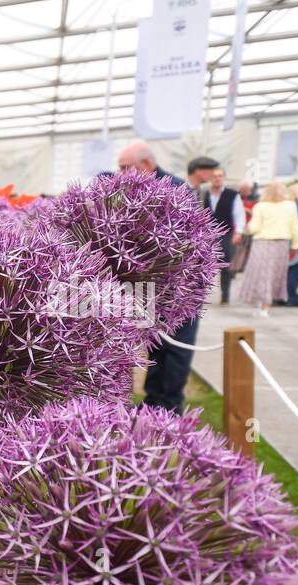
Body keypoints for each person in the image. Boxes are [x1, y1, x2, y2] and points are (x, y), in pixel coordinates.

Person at [119, 142, 199, 412]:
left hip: (180, 286)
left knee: (177, 346)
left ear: (147, 165)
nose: (121, 173)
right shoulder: (128, 190)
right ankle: (153, 401)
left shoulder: (176, 189)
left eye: (126, 167)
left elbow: (183, 239)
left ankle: (169, 405)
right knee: (155, 343)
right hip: (148, 284)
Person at [236, 181, 298, 317]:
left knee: (262, 275)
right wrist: (295, 245)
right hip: (281, 244)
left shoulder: (260, 206)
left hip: (262, 243)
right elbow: (295, 228)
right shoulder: (290, 206)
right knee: (275, 275)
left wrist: (244, 230)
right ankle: (266, 306)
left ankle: (263, 306)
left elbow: (254, 227)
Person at [204, 167, 246, 305]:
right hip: (207, 236)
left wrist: (238, 232)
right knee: (203, 265)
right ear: (210, 178)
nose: (217, 178)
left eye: (220, 176)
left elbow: (239, 214)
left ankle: (225, 295)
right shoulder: (204, 194)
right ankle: (200, 294)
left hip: (226, 235)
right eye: (215, 176)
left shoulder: (232, 194)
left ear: (224, 178)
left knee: (225, 266)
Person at [117, 141, 185, 187]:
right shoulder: (127, 187)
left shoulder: (175, 186)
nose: (120, 173)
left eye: (125, 167)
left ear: (147, 163)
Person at [282, 182, 298, 308]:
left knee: (288, 271)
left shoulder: (289, 206)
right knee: (294, 272)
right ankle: (292, 297)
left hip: (286, 243)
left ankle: (283, 296)